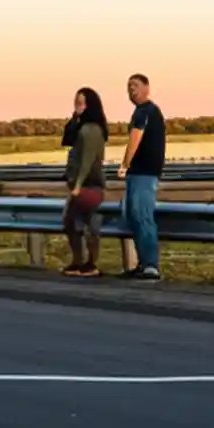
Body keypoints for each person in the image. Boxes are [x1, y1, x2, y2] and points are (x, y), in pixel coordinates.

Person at [117, 73, 165, 280]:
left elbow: (135, 138)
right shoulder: (143, 111)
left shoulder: (145, 111)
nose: (131, 90)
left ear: (147, 88)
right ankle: (143, 263)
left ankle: (151, 265)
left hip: (144, 172)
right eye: (129, 86)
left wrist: (124, 164)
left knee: (142, 216)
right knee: (133, 216)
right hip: (139, 173)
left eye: (135, 85)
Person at [61, 87, 108, 277]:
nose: (77, 106)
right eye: (76, 103)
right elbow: (67, 141)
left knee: (82, 222)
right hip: (83, 185)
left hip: (89, 185)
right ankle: (80, 262)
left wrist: (78, 185)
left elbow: (88, 160)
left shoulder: (91, 130)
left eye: (81, 103)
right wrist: (74, 118)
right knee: (73, 222)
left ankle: (89, 263)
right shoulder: (82, 128)